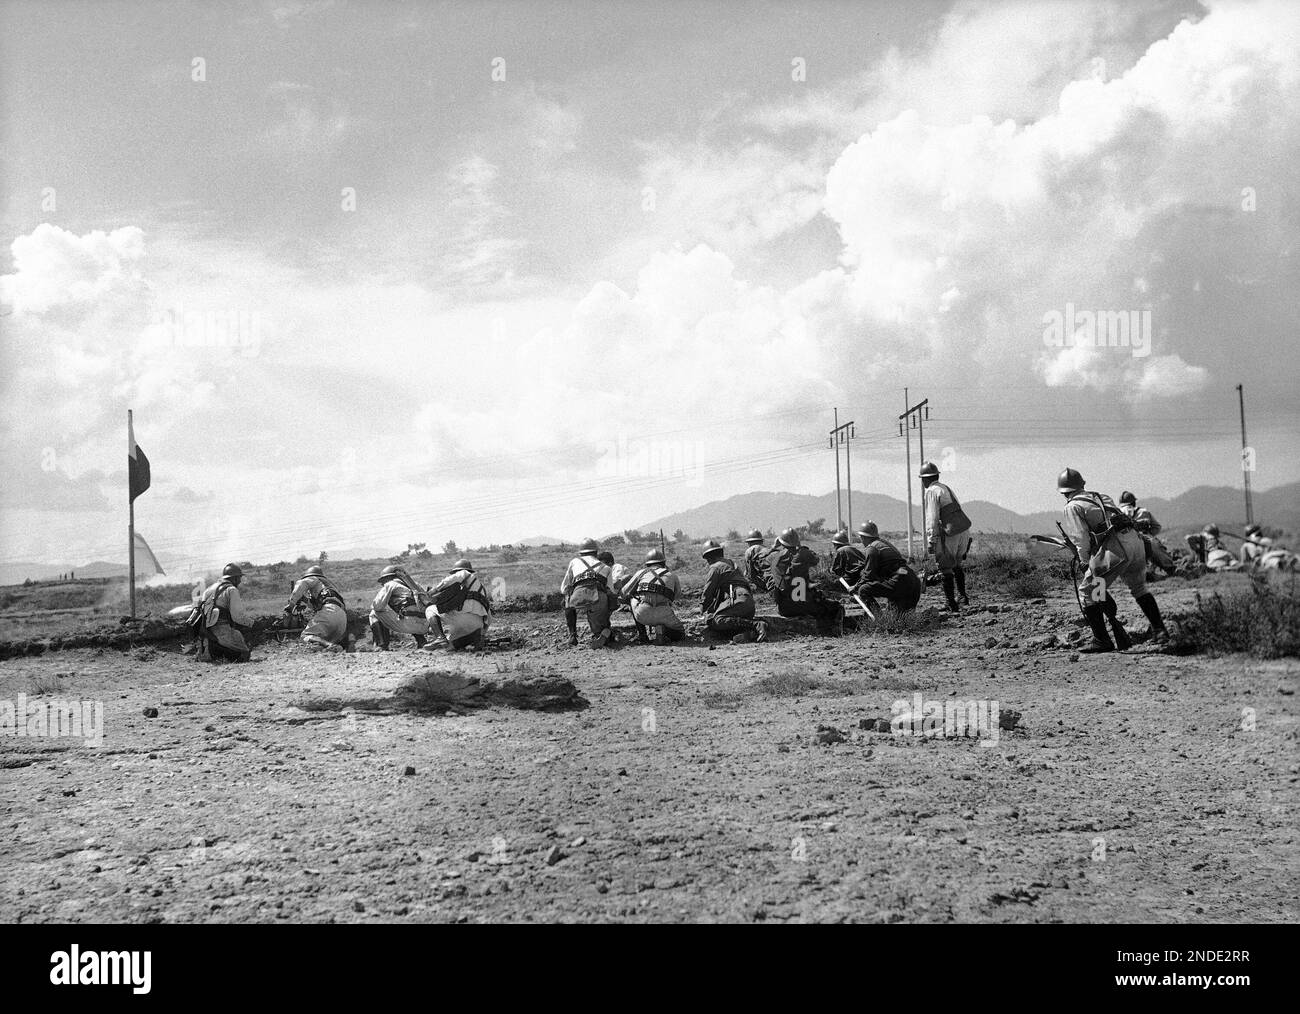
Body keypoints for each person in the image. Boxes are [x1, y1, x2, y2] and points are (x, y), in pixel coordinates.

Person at [1058, 467, 1168, 651]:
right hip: (1135, 542)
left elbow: (1081, 539)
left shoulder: (1072, 507)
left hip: (1115, 549)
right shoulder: (1102, 496)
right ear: (1082, 485)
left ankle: (1102, 640)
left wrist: (1085, 562)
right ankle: (1160, 630)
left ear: (1063, 492)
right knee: (1138, 588)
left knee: (1087, 591)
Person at [766, 528, 843, 635]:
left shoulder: (774, 557)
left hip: (784, 607)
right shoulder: (803, 554)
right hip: (803, 604)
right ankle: (831, 631)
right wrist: (800, 546)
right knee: (836, 607)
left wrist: (774, 547)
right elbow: (815, 559)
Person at [919, 460, 972, 612]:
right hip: (963, 529)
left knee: (945, 567)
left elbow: (932, 518)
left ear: (925, 479)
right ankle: (962, 597)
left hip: (949, 533)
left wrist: (931, 540)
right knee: (957, 564)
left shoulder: (931, 491)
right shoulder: (945, 488)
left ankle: (951, 603)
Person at [699, 539, 768, 643]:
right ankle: (748, 632)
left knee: (717, 620)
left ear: (708, 558)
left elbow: (708, 593)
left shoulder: (715, 568)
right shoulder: (731, 563)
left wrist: (702, 610)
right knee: (728, 621)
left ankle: (756, 625)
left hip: (737, 601)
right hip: (747, 602)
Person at [853, 522, 922, 614]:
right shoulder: (885, 544)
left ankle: (879, 619)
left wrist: (855, 587)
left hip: (899, 581)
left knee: (864, 590)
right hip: (913, 581)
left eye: (861, 537)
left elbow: (868, 574)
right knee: (902, 620)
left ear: (863, 537)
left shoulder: (872, 548)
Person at [621, 548, 686, 645]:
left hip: (642, 614)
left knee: (632, 599)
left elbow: (624, 592)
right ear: (663, 563)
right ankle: (662, 630)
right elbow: (677, 596)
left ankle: (642, 636)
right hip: (665, 613)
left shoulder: (641, 573)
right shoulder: (672, 575)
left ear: (647, 564)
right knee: (680, 635)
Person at [426, 559, 492, 651]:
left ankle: (440, 638)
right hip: (478, 626)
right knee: (449, 646)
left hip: (463, 618)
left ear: (457, 571)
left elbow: (450, 580)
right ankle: (469, 640)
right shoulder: (482, 589)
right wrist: (482, 634)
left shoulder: (464, 573)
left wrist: (433, 591)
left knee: (430, 609)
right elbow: (489, 618)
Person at [559, 538, 614, 647]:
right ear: (596, 553)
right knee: (600, 626)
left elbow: (564, 588)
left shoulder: (574, 562)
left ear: (580, 553)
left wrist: (571, 593)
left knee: (567, 599)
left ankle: (572, 635)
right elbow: (611, 590)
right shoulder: (606, 568)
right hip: (598, 599)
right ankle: (603, 631)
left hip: (578, 600)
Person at [195, 563, 253, 662]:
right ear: (234, 578)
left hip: (207, 634)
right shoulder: (231, 590)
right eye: (238, 578)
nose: (239, 581)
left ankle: (208, 651)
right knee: (245, 653)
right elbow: (237, 617)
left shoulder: (208, 589)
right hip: (222, 632)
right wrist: (252, 623)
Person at [283, 564, 349, 651]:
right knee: (319, 642)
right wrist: (304, 599)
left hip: (329, 612)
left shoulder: (313, 578)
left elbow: (301, 584)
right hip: (342, 618)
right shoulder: (329, 586)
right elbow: (318, 605)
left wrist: (291, 604)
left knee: (305, 636)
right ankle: (334, 647)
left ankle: (330, 645)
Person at [369, 563, 430, 650]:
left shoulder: (390, 584)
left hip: (410, 624)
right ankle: (422, 641)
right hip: (425, 625)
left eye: (383, 580)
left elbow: (377, 606)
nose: (382, 583)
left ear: (388, 577)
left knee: (373, 613)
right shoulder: (414, 584)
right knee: (411, 610)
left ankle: (381, 645)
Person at [1118, 491, 1177, 578]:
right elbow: (1157, 527)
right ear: (1134, 502)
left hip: (1125, 540)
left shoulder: (1118, 513)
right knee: (1153, 545)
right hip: (1142, 538)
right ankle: (1169, 568)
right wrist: (1150, 534)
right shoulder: (1143, 512)